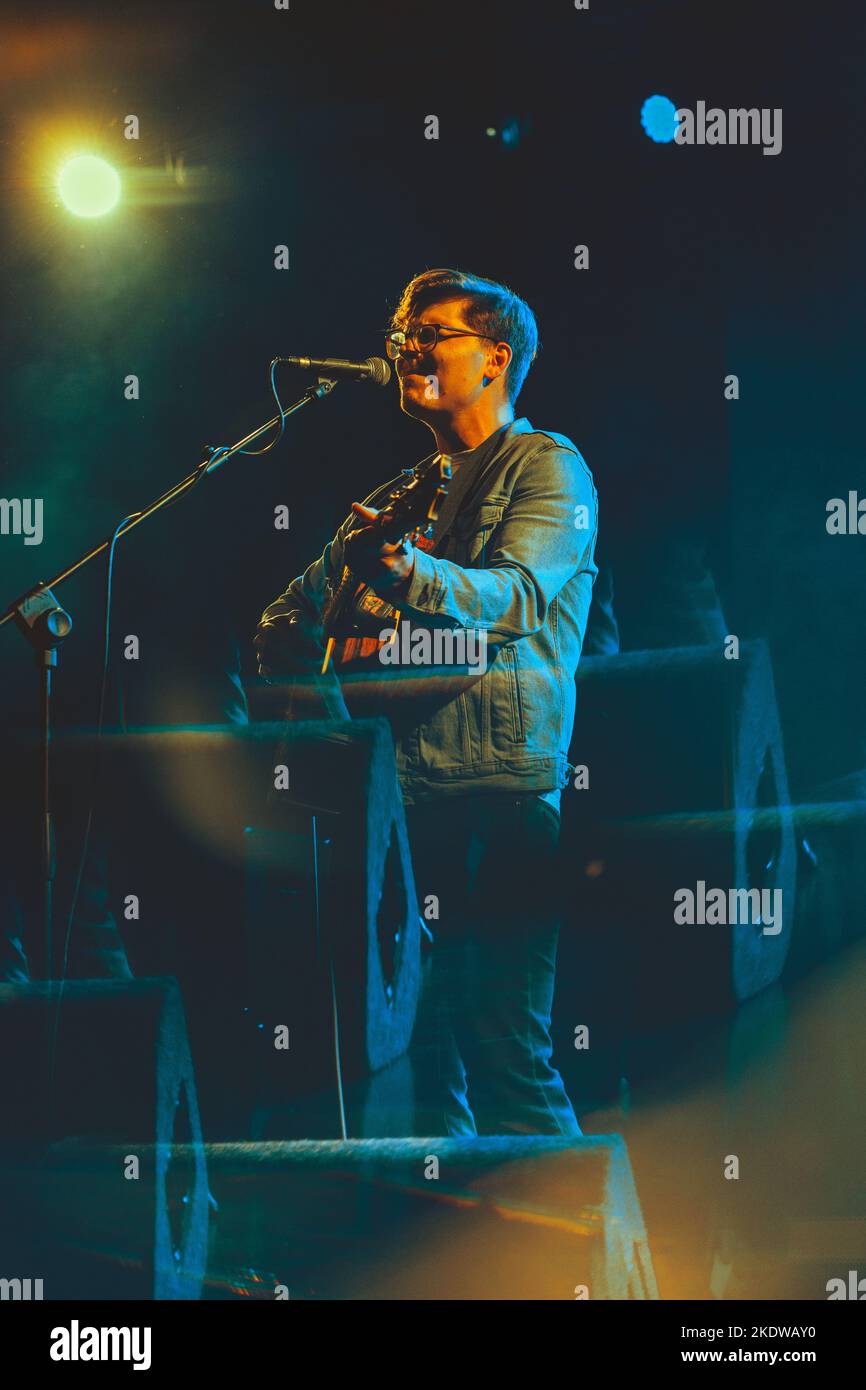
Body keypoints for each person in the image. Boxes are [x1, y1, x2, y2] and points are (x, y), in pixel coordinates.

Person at [254, 267, 598, 1137]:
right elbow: (284, 625)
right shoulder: (407, 492)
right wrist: (338, 652)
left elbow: (517, 596)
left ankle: (576, 1254)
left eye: (431, 331)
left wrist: (406, 580)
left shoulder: (549, 467)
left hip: (500, 804)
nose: (407, 345)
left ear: (495, 357)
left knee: (507, 1051)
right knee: (422, 1068)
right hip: (394, 816)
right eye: (402, 328)